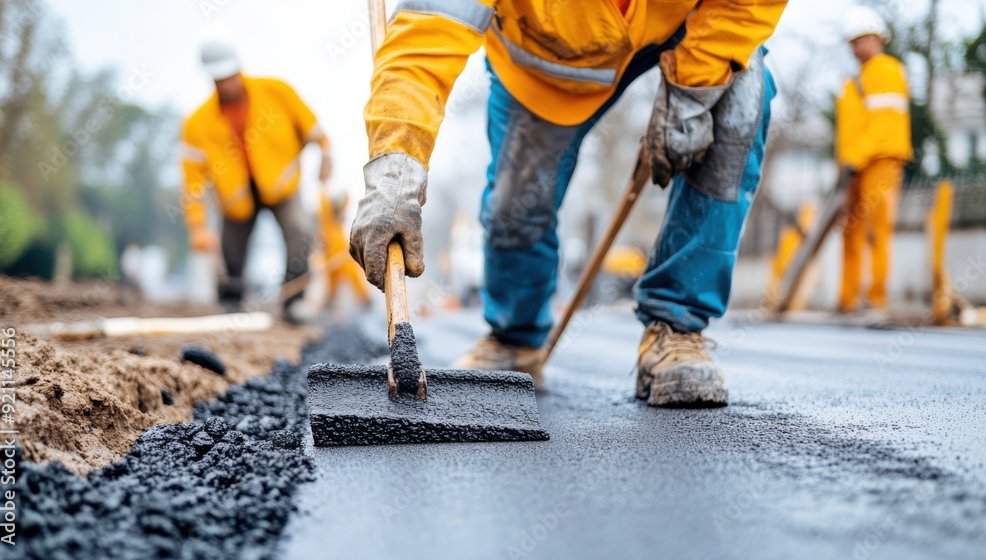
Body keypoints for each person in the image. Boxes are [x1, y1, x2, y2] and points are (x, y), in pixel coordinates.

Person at [350, 1, 788, 407]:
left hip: (692, 29)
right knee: (514, 202)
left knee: (742, 96)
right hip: (545, 67)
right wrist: (395, 170)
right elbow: (422, 46)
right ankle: (515, 338)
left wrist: (697, 85)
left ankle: (676, 327)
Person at [179, 25, 333, 316]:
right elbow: (192, 183)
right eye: (219, 79)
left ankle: (294, 299)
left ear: (239, 68)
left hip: (280, 188)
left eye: (229, 76)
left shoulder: (277, 92)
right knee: (230, 249)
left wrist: (325, 156)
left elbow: (315, 131)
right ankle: (231, 302)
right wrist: (198, 227)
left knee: (299, 231)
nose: (226, 84)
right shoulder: (196, 125)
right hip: (236, 199)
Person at [836, 6, 913, 314]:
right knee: (850, 231)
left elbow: (883, 125)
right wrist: (844, 165)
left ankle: (876, 299)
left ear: (876, 38)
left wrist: (856, 158)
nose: (856, 47)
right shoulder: (856, 79)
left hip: (880, 161)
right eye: (852, 42)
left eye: (861, 39)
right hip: (854, 167)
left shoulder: (886, 70)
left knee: (876, 230)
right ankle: (847, 300)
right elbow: (850, 130)